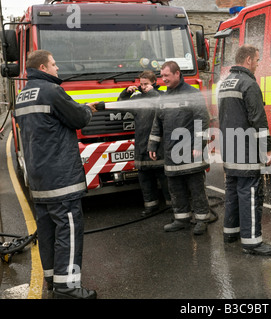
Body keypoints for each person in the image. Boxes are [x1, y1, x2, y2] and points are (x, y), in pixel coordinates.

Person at [14, 50, 98, 298]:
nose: (57, 68)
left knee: (48, 232)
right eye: (53, 64)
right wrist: (88, 110)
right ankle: (68, 287)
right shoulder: (52, 91)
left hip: (39, 179)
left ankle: (53, 280)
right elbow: (78, 118)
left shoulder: (21, 96)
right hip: (61, 177)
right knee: (68, 229)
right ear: (42, 67)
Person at [218, 44, 271, 256]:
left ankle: (231, 232)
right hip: (246, 152)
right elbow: (258, 120)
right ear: (248, 61)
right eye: (257, 60)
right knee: (250, 193)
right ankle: (252, 242)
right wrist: (267, 150)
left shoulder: (225, 83)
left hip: (230, 150)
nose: (258, 64)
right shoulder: (248, 84)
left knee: (233, 191)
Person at [149, 61, 210, 235]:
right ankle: (181, 219)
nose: (163, 79)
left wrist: (199, 144)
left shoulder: (193, 94)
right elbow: (157, 123)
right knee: (175, 187)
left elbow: (202, 120)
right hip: (170, 151)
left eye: (166, 75)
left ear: (177, 74)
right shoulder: (163, 98)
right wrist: (153, 144)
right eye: (162, 76)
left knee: (196, 188)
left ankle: (201, 220)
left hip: (190, 151)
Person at [117, 71, 171, 216]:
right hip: (141, 145)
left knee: (165, 179)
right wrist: (126, 93)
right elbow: (120, 105)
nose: (143, 87)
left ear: (153, 83)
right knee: (145, 180)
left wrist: (151, 92)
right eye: (141, 84)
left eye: (146, 84)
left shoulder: (161, 96)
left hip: (158, 146)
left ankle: (171, 207)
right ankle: (151, 206)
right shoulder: (138, 99)